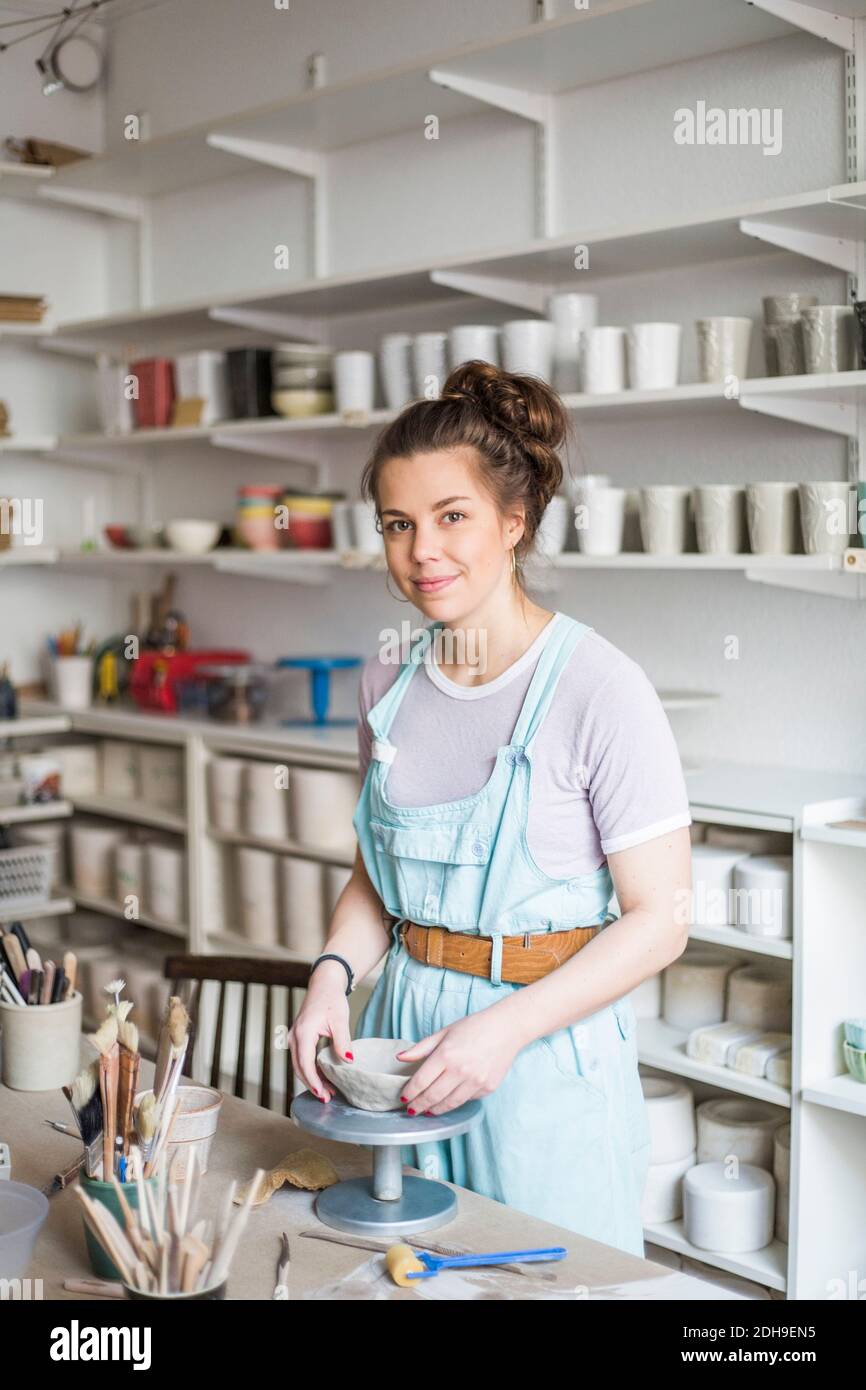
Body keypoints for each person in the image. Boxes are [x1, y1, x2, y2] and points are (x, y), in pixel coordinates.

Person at [288, 359, 692, 1255]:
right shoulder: (387, 679)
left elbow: (660, 921)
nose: (421, 550)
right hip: (401, 1056)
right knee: (399, 1271)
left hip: (541, 1066)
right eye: (398, 524)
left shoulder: (599, 687)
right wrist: (328, 979)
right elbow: (376, 874)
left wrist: (501, 1032)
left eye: (451, 516)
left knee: (541, 1278)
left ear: (515, 522)